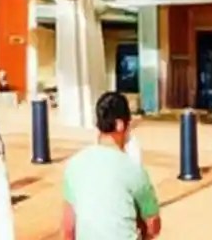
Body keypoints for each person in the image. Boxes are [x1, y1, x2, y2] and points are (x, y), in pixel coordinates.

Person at [61, 92, 162, 239]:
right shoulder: (133, 170)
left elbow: (68, 228)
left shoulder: (74, 165)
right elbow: (153, 225)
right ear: (121, 125)